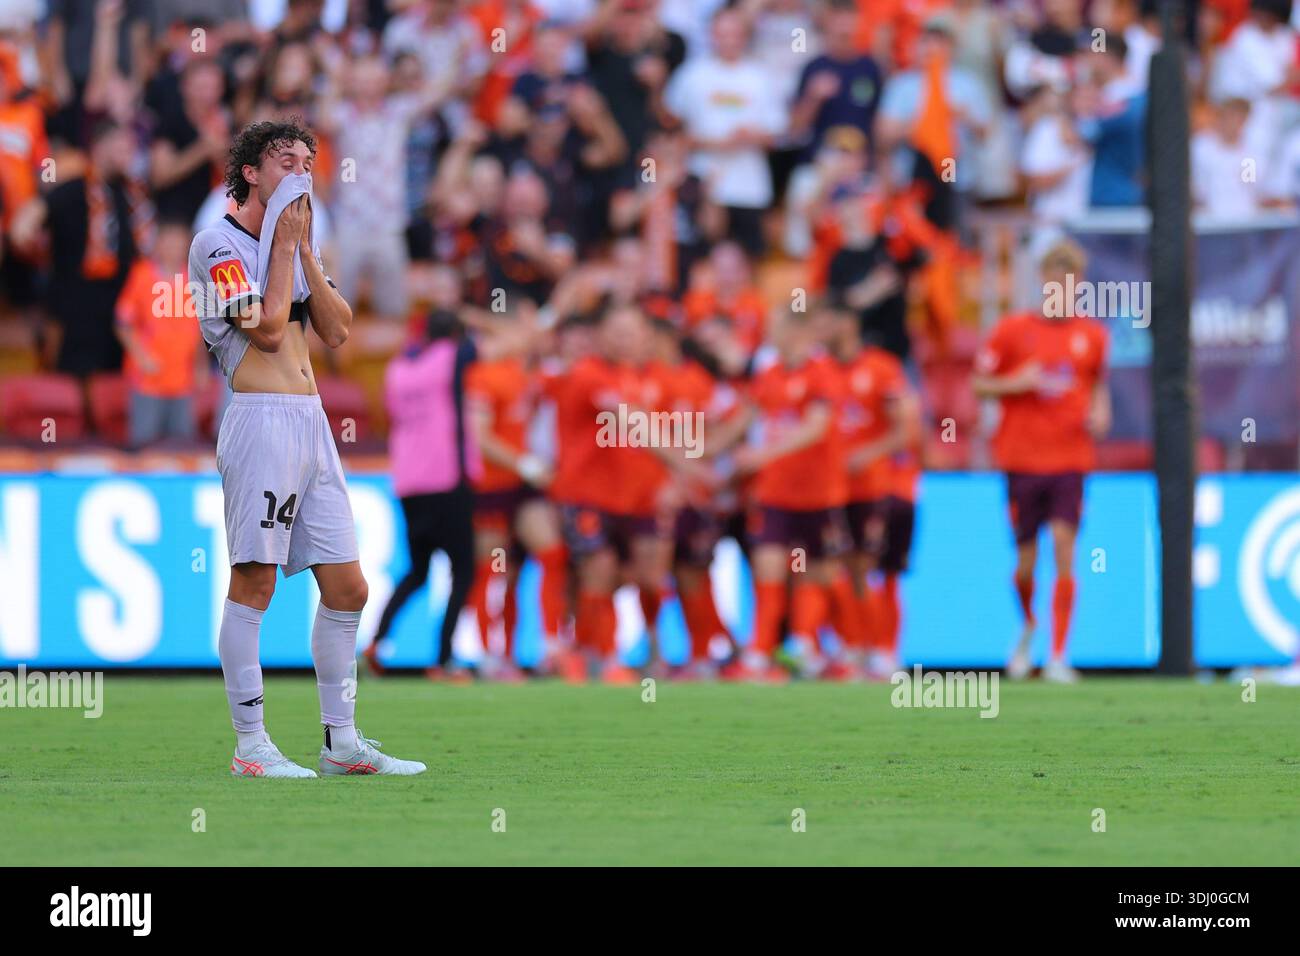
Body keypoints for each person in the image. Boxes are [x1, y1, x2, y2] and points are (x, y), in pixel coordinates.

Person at [190, 118, 425, 776]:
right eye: (284, 159)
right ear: (252, 172)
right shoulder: (218, 244)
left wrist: (306, 249)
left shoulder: (296, 242)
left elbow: (339, 329)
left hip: (312, 419)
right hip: (260, 418)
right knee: (255, 580)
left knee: (349, 587)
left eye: (307, 160)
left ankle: (340, 742)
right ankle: (252, 746)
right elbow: (265, 332)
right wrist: (288, 244)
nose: (300, 170)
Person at [972, 239, 1110, 683]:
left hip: (1071, 458)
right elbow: (979, 384)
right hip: (1022, 459)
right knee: (1026, 561)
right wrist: (1018, 382)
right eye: (1054, 283)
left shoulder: (1092, 336)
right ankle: (1029, 625)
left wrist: (1100, 410)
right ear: (1042, 283)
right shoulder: (1012, 331)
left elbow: (1097, 385)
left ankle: (1058, 654)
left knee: (1065, 546)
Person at [114, 220, 207, 447]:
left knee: (183, 446)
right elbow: (122, 322)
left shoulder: (195, 279)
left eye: (180, 242)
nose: (174, 247)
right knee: (144, 445)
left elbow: (201, 329)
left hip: (183, 380)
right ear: (158, 244)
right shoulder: (142, 275)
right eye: (169, 241)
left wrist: (200, 366)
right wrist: (141, 356)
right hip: (148, 380)